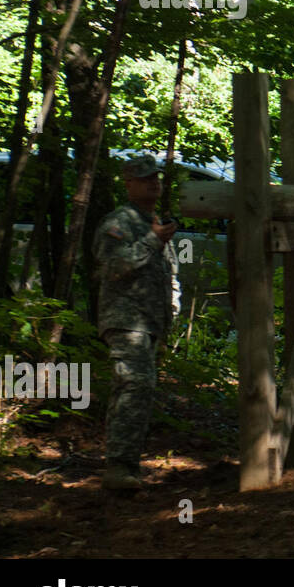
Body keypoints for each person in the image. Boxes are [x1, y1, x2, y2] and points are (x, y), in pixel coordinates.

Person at [93, 155, 179, 490]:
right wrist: (151, 241)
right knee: (133, 386)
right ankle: (118, 467)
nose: (153, 183)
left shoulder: (155, 222)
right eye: (144, 179)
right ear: (128, 184)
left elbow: (168, 274)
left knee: (140, 390)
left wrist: (170, 310)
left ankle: (127, 464)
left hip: (150, 323)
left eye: (155, 177)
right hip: (126, 321)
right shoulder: (119, 223)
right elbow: (111, 268)